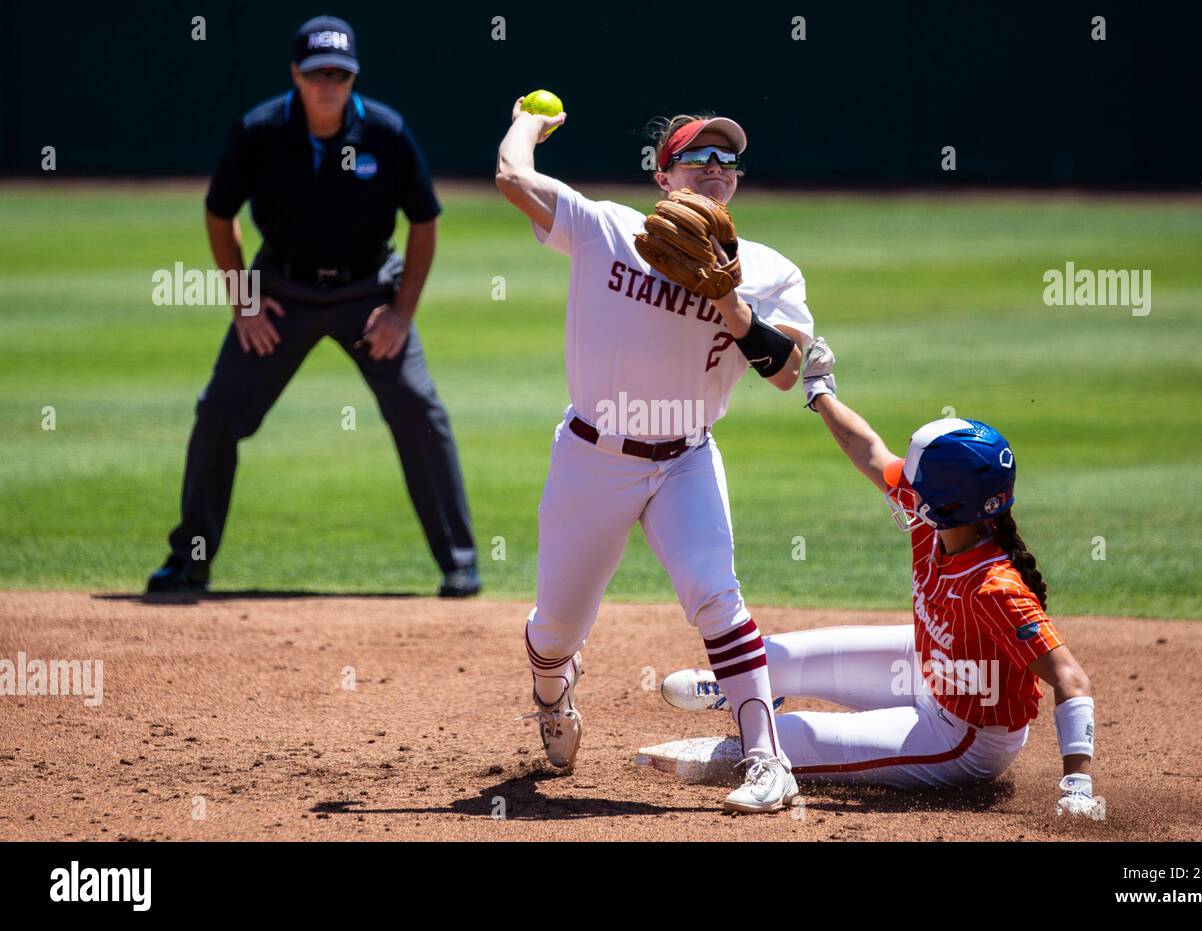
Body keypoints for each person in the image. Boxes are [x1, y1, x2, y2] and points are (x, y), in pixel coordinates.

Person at [495, 103, 814, 812]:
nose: (715, 170)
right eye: (698, 158)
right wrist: (527, 120)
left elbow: (788, 370)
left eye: (727, 160)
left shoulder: (768, 272)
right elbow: (512, 176)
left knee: (717, 597)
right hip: (592, 456)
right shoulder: (606, 227)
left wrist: (731, 301)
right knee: (555, 630)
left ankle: (767, 762)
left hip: (685, 459)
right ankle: (553, 690)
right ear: (663, 175)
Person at [660, 339, 1104, 818]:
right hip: (927, 667)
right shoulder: (940, 518)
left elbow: (1070, 679)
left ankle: (742, 747)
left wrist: (1076, 787)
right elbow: (866, 447)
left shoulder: (994, 587)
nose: (905, 486)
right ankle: (741, 691)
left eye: (917, 481)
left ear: (948, 500)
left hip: (965, 735)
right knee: (766, 657)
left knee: (785, 738)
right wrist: (820, 392)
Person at [147, 16, 479, 598]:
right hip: (280, 294)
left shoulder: (387, 133)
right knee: (218, 412)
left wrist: (401, 311)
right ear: (295, 74)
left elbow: (425, 221)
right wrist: (244, 303)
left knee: (421, 411)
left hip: (368, 293)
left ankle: (459, 562)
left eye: (340, 74)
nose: (330, 84)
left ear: (353, 78)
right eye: (318, 73)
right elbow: (218, 214)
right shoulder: (258, 132)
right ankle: (189, 560)